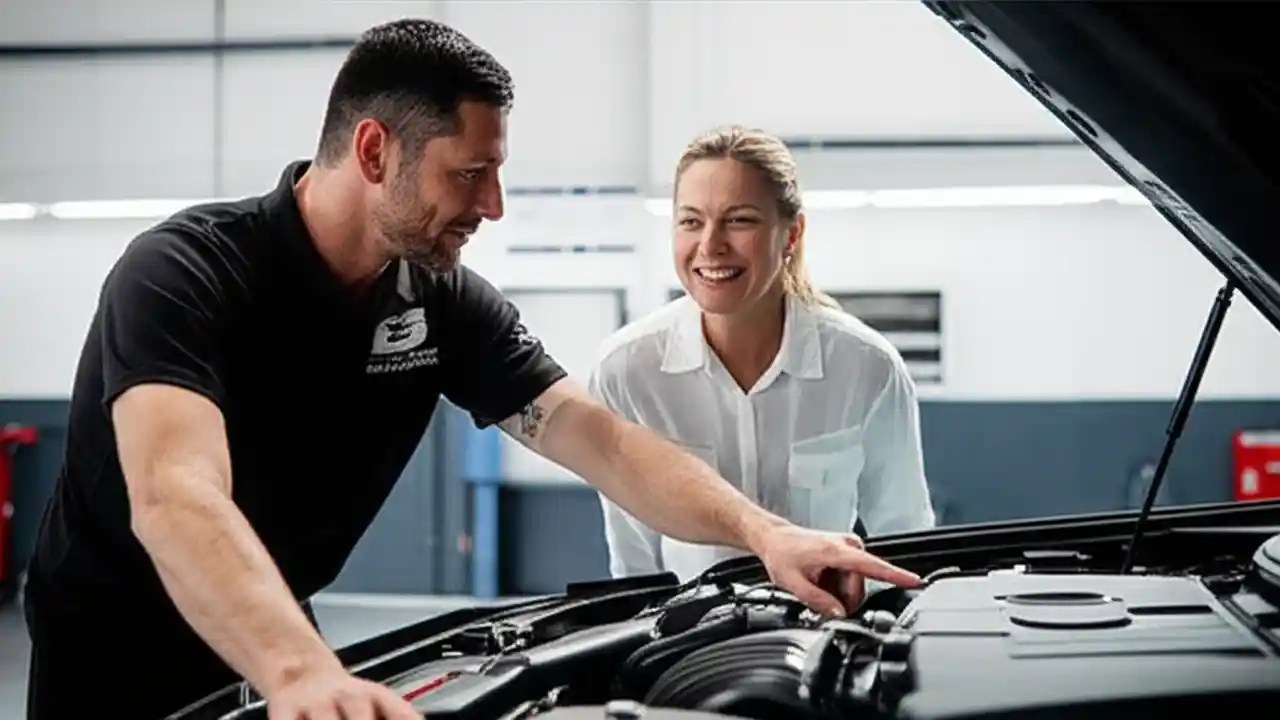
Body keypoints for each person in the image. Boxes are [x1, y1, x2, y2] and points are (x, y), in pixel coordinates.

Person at [22, 20, 921, 720]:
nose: (491, 204)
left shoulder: (440, 301)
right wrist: (297, 668)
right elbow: (176, 494)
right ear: (375, 152)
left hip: (274, 622)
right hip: (118, 648)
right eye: (471, 173)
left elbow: (600, 439)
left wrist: (767, 534)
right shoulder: (184, 272)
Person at [591, 125, 937, 588]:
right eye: (691, 221)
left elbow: (904, 540)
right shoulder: (626, 373)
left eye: (739, 220)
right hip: (686, 649)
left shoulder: (866, 368)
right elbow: (634, 567)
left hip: (826, 638)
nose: (710, 245)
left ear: (791, 233)